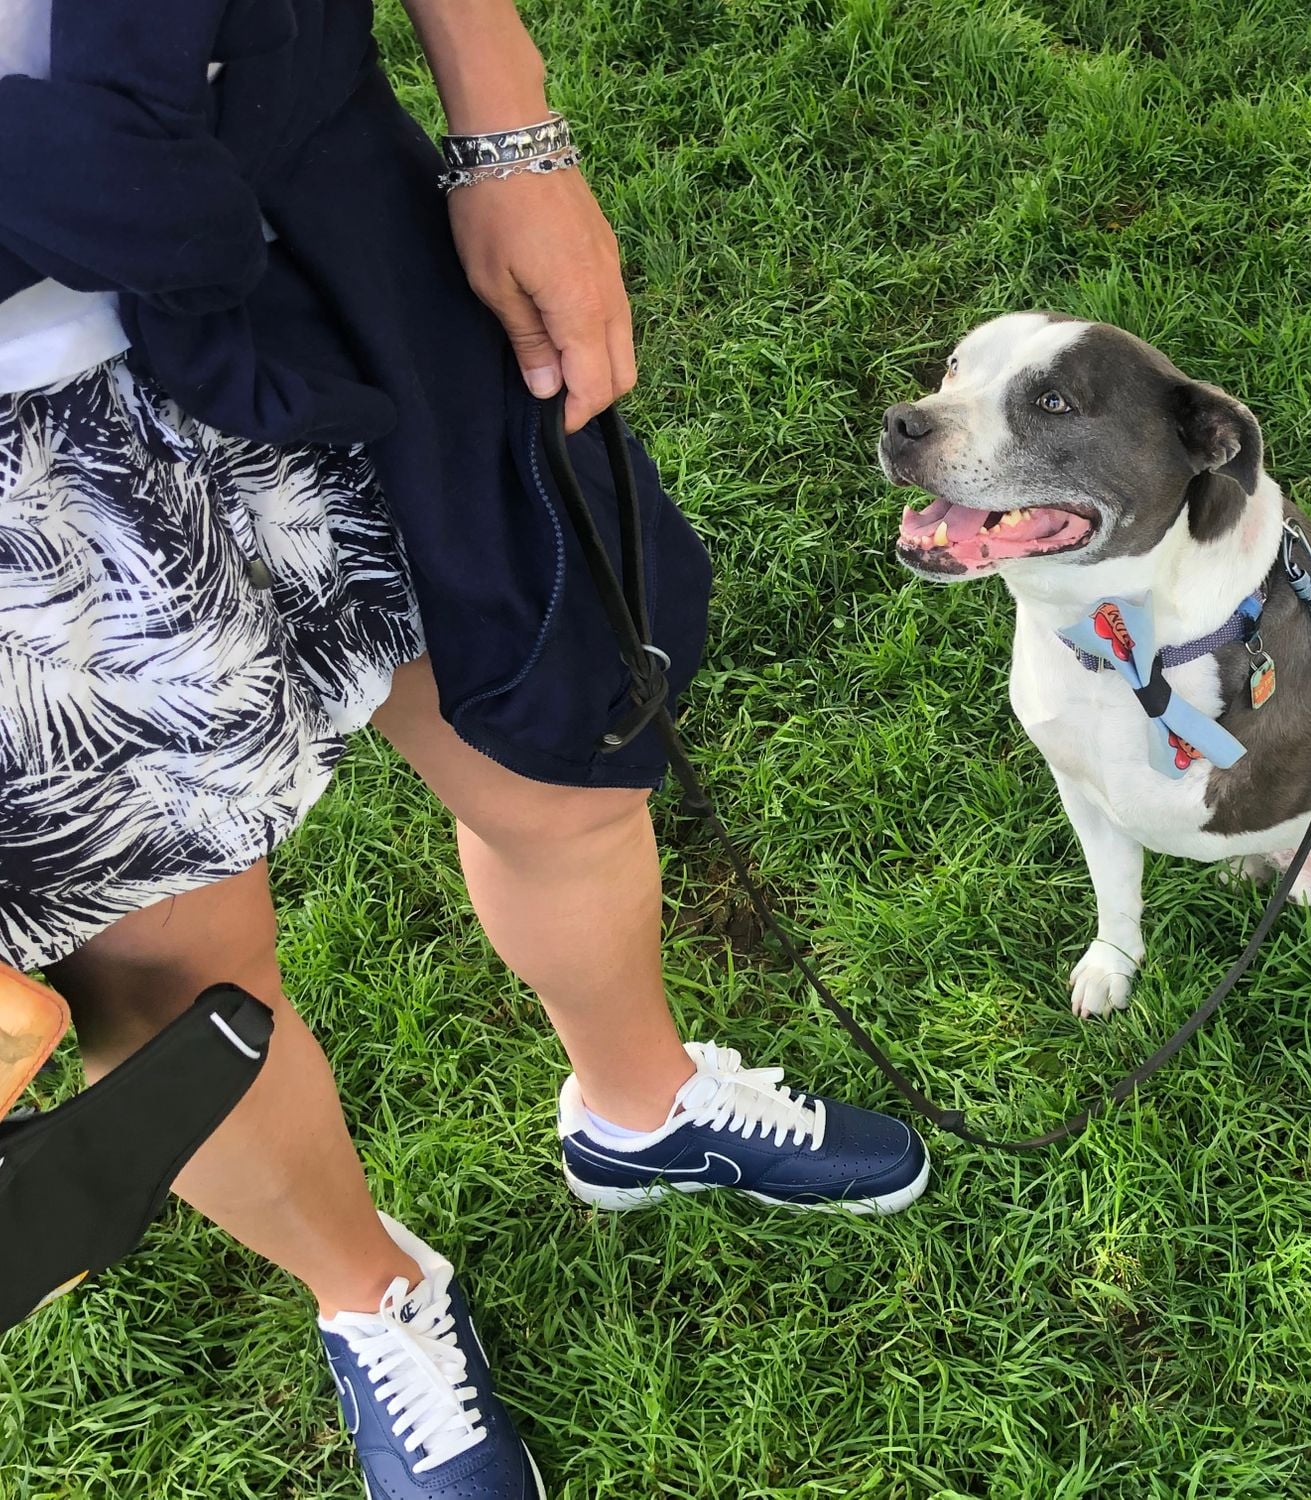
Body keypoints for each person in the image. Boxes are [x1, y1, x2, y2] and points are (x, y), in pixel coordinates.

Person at [0, 2, 928, 1495]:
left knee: (564, 755)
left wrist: (510, 131)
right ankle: (371, 1296)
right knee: (174, 977)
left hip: (312, 225)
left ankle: (638, 1104)